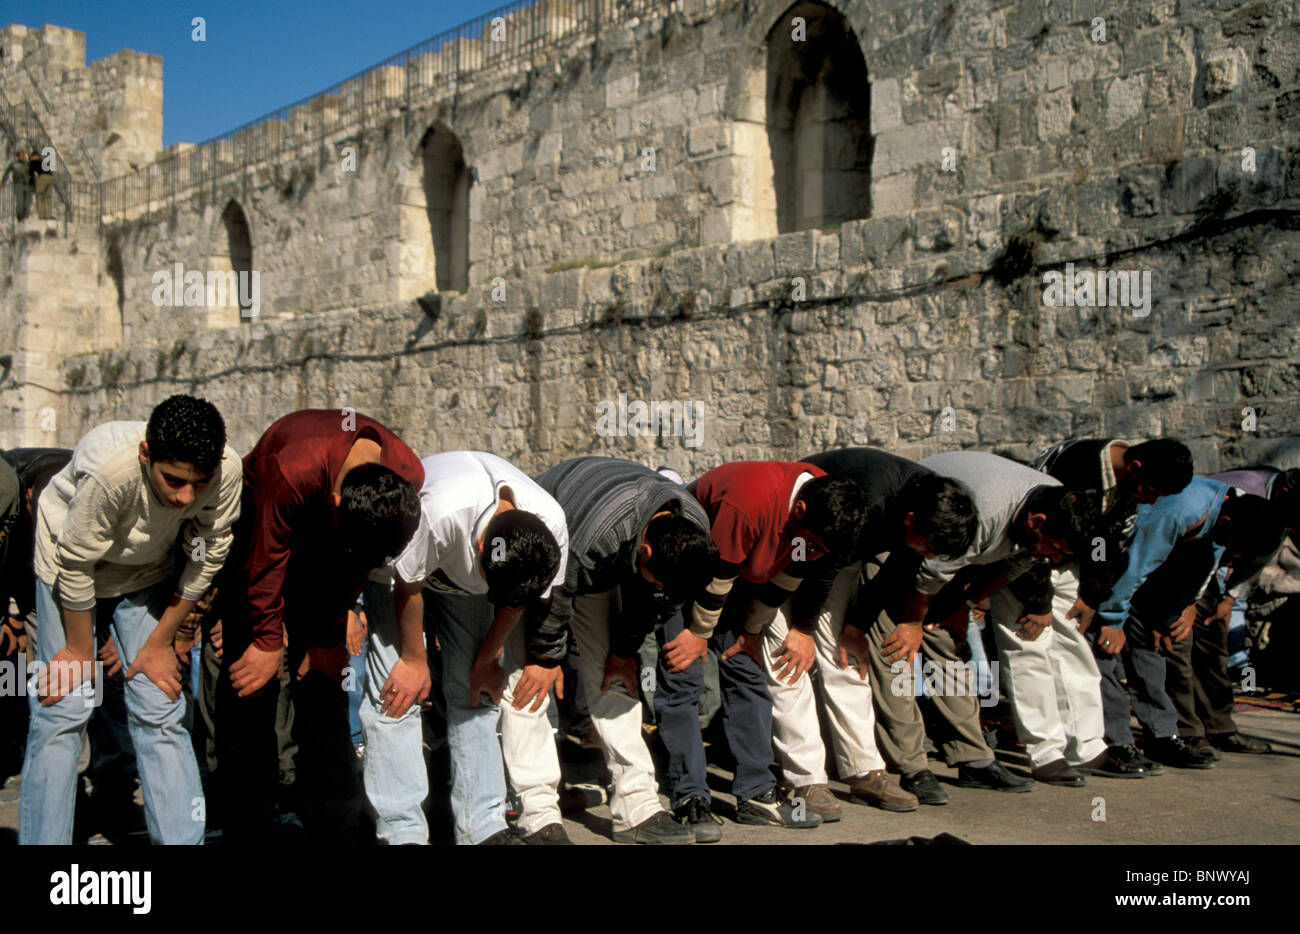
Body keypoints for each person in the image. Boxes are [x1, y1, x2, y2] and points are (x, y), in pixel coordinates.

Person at [20, 395, 242, 845]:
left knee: (160, 703)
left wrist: (161, 641)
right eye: (174, 480)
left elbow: (207, 557)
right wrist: (80, 651)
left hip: (144, 571)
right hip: (70, 565)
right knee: (63, 703)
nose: (185, 497)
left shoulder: (226, 472)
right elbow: (76, 563)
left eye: (200, 483)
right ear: (147, 455)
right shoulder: (111, 469)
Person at [213, 409, 422, 842]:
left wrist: (338, 619)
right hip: (258, 545)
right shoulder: (292, 469)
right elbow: (264, 560)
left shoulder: (407, 473)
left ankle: (334, 821)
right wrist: (267, 640)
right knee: (252, 683)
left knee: (326, 679)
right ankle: (249, 822)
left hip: (330, 562)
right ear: (337, 502)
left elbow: (363, 556)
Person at [360, 451, 565, 845]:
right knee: (396, 693)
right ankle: (401, 830)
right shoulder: (441, 511)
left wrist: (488, 659)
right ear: (482, 544)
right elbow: (409, 583)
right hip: (400, 573)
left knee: (475, 693)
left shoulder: (551, 523)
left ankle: (483, 826)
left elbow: (517, 598)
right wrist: (413, 658)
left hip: (469, 582)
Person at [868, 450, 1096, 804]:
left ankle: (972, 758)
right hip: (905, 546)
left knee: (950, 647)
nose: (1053, 557)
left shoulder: (1056, 502)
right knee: (896, 650)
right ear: (1036, 522)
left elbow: (1017, 565)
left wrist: (966, 603)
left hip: (946, 564)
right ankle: (911, 766)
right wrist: (912, 622)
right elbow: (930, 572)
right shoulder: (985, 512)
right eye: (1053, 546)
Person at [509, 456, 716, 844]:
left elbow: (658, 601)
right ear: (646, 556)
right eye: (658, 583)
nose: (664, 595)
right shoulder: (597, 535)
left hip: (601, 558)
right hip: (547, 550)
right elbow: (558, 591)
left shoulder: (693, 530)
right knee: (527, 679)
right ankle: (535, 812)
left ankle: (637, 807)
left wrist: (622, 653)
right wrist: (545, 657)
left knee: (618, 674)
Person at [654, 460, 867, 837]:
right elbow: (717, 574)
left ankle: (756, 793)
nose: (814, 553)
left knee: (747, 670)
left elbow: (789, 574)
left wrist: (752, 630)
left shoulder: (823, 503)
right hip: (690, 566)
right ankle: (690, 797)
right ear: (798, 511)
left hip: (736, 574)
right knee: (683, 674)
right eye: (814, 545)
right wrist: (699, 633)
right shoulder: (749, 502)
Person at [764, 447, 977, 819]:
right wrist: (802, 628)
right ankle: (805, 778)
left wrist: (856, 626)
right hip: (795, 543)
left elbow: (896, 571)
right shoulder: (872, 498)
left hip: (838, 558)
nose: (927, 555)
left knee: (848, 657)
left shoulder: (923, 506)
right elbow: (822, 567)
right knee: (789, 658)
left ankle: (864, 770)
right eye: (927, 547)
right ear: (910, 521)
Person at [995, 437, 1193, 783]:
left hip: (1070, 558)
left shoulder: (1129, 489)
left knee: (1072, 648)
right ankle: (1045, 752)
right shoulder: (1075, 468)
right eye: (1152, 490)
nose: (1152, 500)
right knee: (1030, 646)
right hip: (1026, 558)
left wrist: (1091, 594)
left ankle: (1085, 746)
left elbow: (1109, 543)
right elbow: (1034, 530)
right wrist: (1038, 602)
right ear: (1135, 469)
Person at [1092, 478, 1283, 770]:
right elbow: (1133, 569)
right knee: (1106, 658)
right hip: (1112, 567)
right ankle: (1117, 743)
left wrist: (1168, 616)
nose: (1236, 555)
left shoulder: (1226, 522)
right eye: (1236, 547)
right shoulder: (1183, 511)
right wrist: (1112, 621)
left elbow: (1201, 571)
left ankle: (1162, 737)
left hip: (1153, 581)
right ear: (1228, 521)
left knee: (1151, 655)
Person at [1165, 466, 1299, 757]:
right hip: (1182, 560)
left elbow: (1256, 556)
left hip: (1215, 571)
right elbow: (1207, 546)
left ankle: (1219, 727)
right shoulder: (1248, 492)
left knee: (1214, 641)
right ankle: (1186, 730)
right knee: (1180, 640)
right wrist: (1189, 600)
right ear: (1285, 494)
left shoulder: (1282, 510)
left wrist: (1228, 597)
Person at [1, 148, 32, 221]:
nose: (22, 157)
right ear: (18, 156)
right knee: (20, 203)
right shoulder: (14, 164)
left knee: (27, 203)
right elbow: (6, 173)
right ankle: (20, 218)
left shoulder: (28, 163)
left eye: (23, 155)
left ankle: (25, 218)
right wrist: (3, 182)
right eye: (21, 155)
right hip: (18, 184)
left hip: (28, 185)